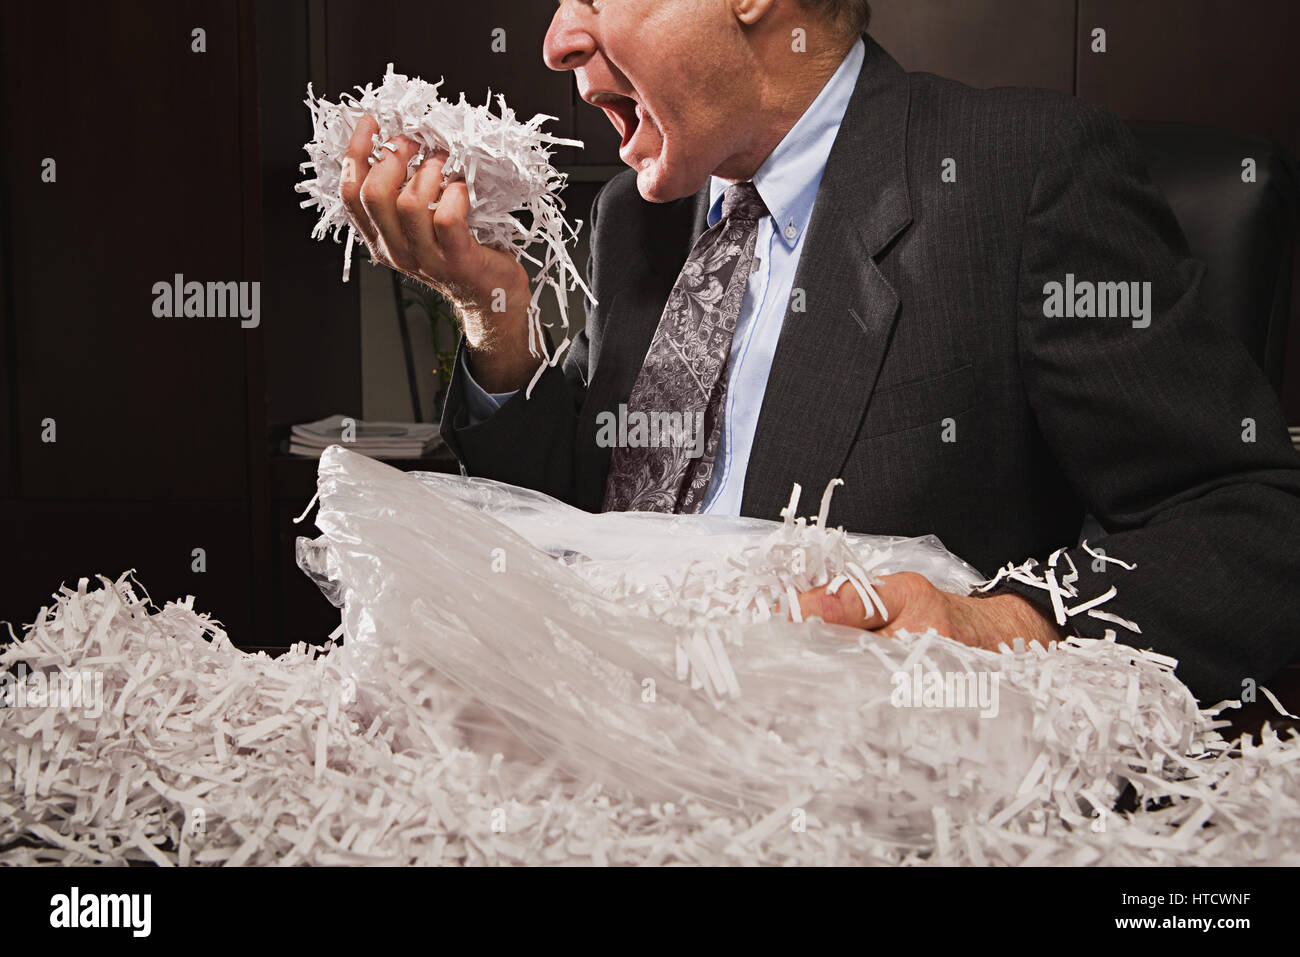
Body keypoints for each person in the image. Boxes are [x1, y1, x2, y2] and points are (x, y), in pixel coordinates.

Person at [338, 0, 1300, 703]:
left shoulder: (1021, 175)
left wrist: (1006, 624)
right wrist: (493, 311)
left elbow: (1252, 522)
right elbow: (583, 511)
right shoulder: (634, 220)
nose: (557, 38)